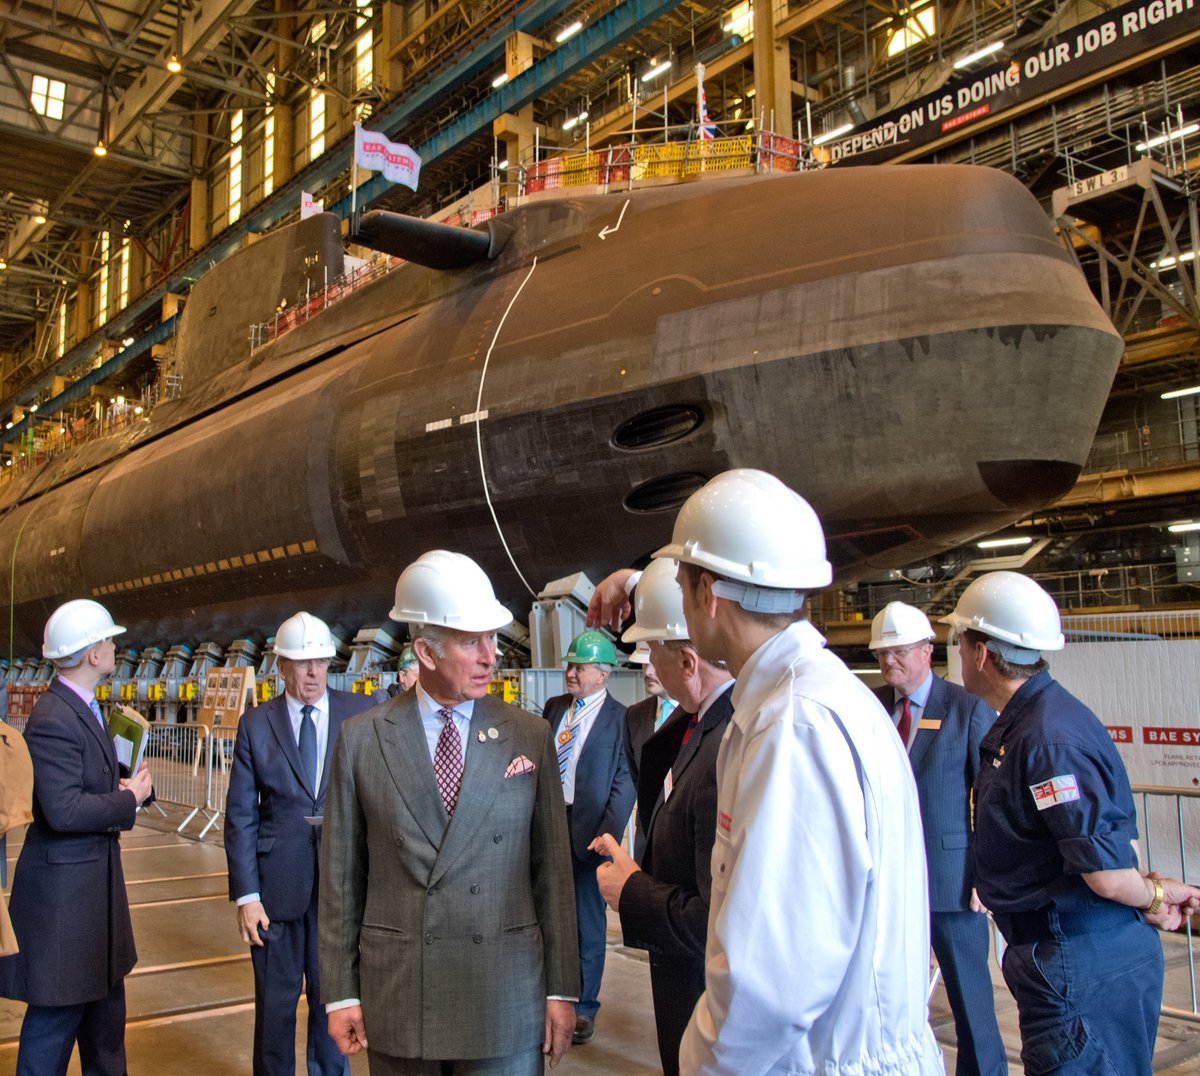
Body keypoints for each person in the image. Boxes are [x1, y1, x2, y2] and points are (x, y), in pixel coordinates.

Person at [591, 468, 943, 1075]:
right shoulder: (825, 695)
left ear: (708, 595)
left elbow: (769, 983)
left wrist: (702, 1063)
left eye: (680, 581)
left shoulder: (790, 726)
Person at [320, 550, 579, 1075]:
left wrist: (562, 988)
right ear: (426, 652)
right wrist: (340, 992)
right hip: (400, 992)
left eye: (492, 639)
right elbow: (343, 879)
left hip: (502, 993)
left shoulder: (528, 736)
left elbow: (551, 874)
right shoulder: (363, 739)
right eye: (471, 642)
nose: (492, 656)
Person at [942, 570, 1200, 1073]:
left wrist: (1152, 896)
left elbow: (1103, 872)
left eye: (959, 639)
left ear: (979, 653)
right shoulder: (1036, 723)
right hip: (1069, 954)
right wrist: (1151, 888)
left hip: (1077, 962)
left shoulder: (1046, 740)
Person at [590, 556, 733, 1076]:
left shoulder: (726, 748)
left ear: (690, 662)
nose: (647, 662)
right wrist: (632, 582)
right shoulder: (700, 727)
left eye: (653, 648)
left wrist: (631, 891)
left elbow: (713, 922)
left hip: (703, 992)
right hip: (682, 979)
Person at [0, 599, 154, 1076]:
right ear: (91, 655)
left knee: (105, 1037)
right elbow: (63, 810)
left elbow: (83, 788)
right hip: (66, 914)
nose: (113, 646)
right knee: (51, 1034)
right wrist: (126, 803)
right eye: (108, 640)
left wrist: (125, 789)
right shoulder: (53, 717)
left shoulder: (82, 707)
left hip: (94, 907)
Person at [225, 611, 375, 1076]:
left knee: (334, 1004)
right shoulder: (255, 724)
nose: (313, 674)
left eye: (321, 663)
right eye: (303, 663)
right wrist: (247, 896)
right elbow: (241, 816)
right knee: (275, 1009)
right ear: (281, 666)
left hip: (340, 889)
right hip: (275, 891)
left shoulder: (358, 713)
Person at [869, 600, 1006, 1076]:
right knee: (887, 998)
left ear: (928, 650)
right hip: (887, 882)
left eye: (900, 651)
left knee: (970, 1003)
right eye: (882, 653)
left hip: (950, 882)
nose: (889, 662)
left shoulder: (967, 709)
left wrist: (984, 876)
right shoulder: (872, 707)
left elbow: (990, 801)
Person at [542, 629, 636, 1045]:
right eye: (569, 665)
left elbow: (624, 779)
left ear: (602, 673)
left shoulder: (622, 718)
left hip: (589, 833)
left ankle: (584, 1007)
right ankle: (549, 997)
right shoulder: (555, 707)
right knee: (546, 913)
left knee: (587, 922)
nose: (570, 672)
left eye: (579, 666)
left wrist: (608, 834)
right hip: (548, 822)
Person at [623, 642, 677, 859]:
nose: (648, 672)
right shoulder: (634, 716)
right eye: (644, 666)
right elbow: (638, 778)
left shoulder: (695, 713)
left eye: (654, 664)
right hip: (646, 840)